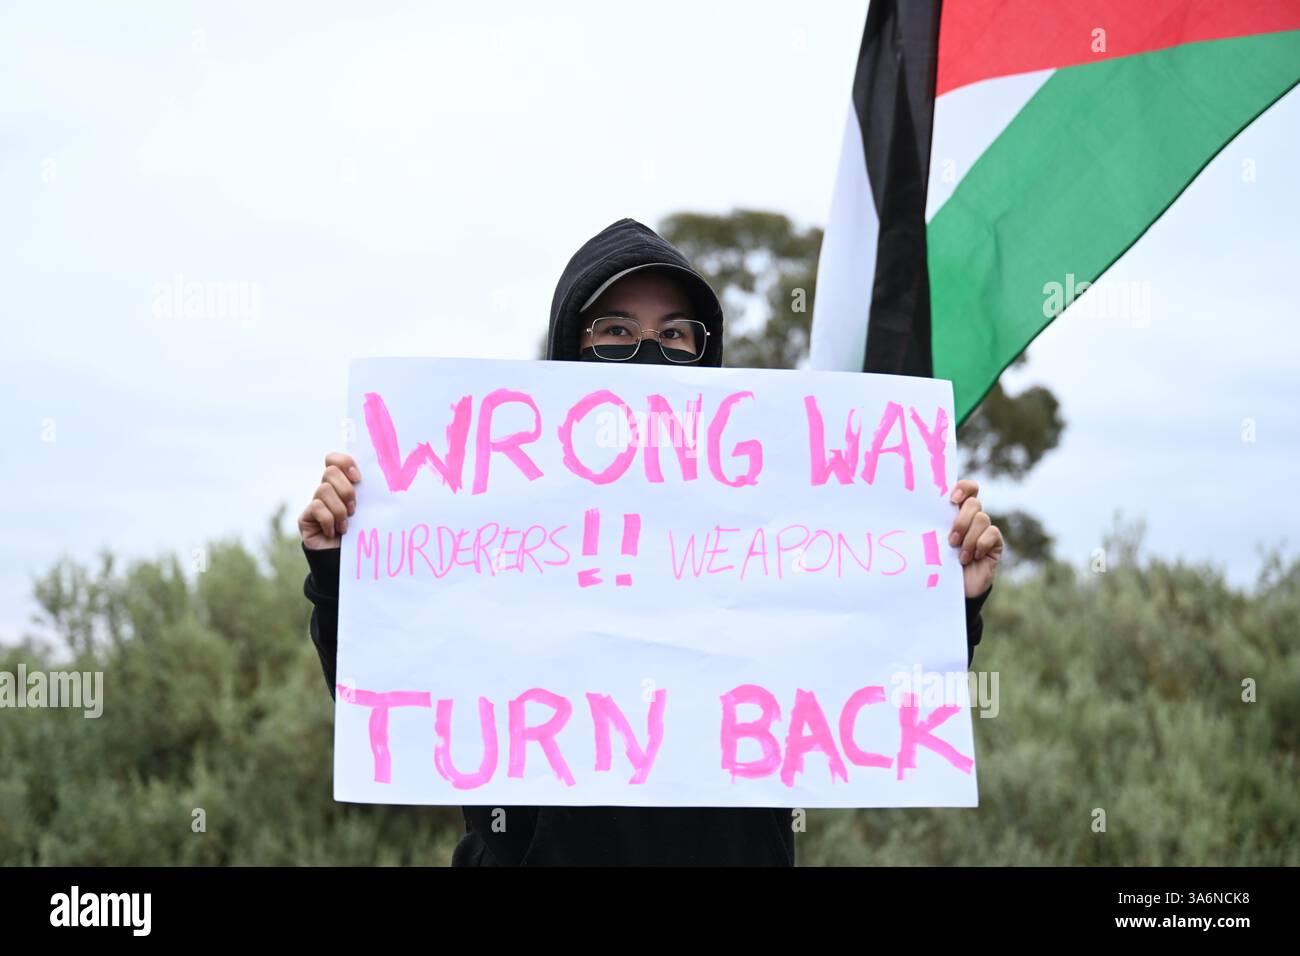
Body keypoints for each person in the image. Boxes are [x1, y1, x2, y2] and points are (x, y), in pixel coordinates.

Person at [298, 217, 1004, 866]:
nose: (646, 354)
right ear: (569, 344)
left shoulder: (769, 525)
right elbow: (388, 685)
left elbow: (870, 682)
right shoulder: (492, 514)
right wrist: (337, 566)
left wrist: (953, 599)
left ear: (706, 351)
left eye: (675, 336)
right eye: (613, 332)